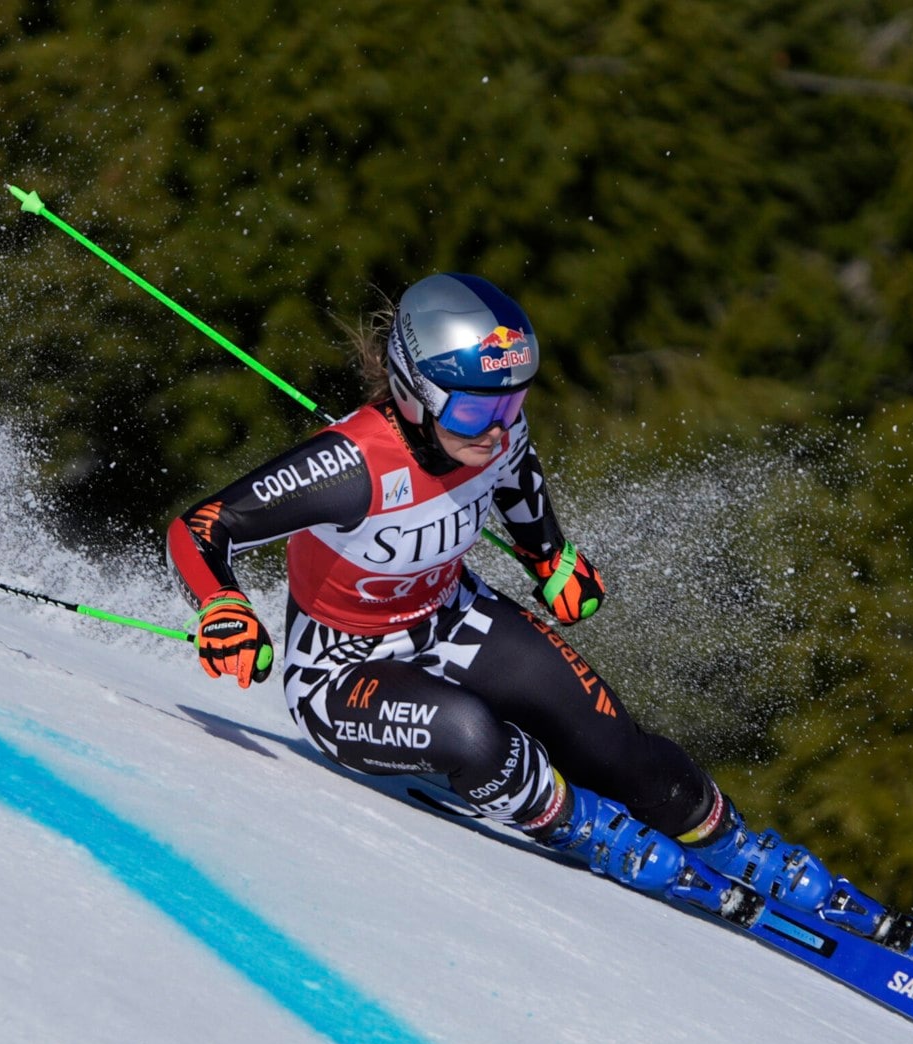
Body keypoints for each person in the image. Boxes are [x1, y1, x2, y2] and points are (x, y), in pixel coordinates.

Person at [165, 273, 833, 913]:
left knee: (613, 744)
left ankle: (733, 844)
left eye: (512, 403)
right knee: (473, 735)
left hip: (453, 617)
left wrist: (549, 556)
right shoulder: (351, 465)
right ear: (416, 392)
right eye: (477, 408)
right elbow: (197, 529)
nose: (496, 428)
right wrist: (223, 606)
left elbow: (517, 476)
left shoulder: (494, 434)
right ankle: (582, 826)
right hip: (342, 668)